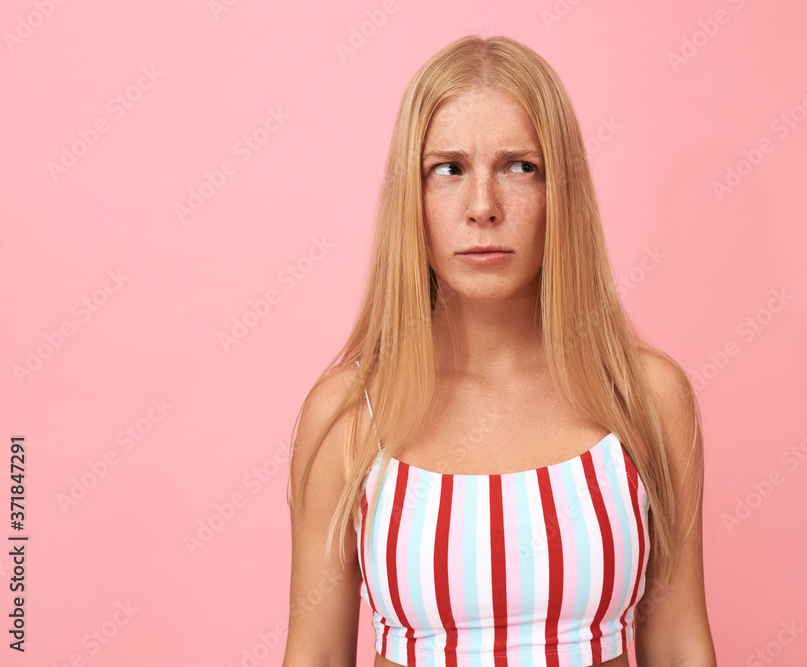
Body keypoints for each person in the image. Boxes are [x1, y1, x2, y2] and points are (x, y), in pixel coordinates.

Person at [282, 34, 717, 667]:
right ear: (411, 196)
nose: (483, 207)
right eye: (448, 169)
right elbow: (316, 656)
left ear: (560, 192)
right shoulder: (348, 415)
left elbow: (678, 646)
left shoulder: (646, 399)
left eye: (519, 167)